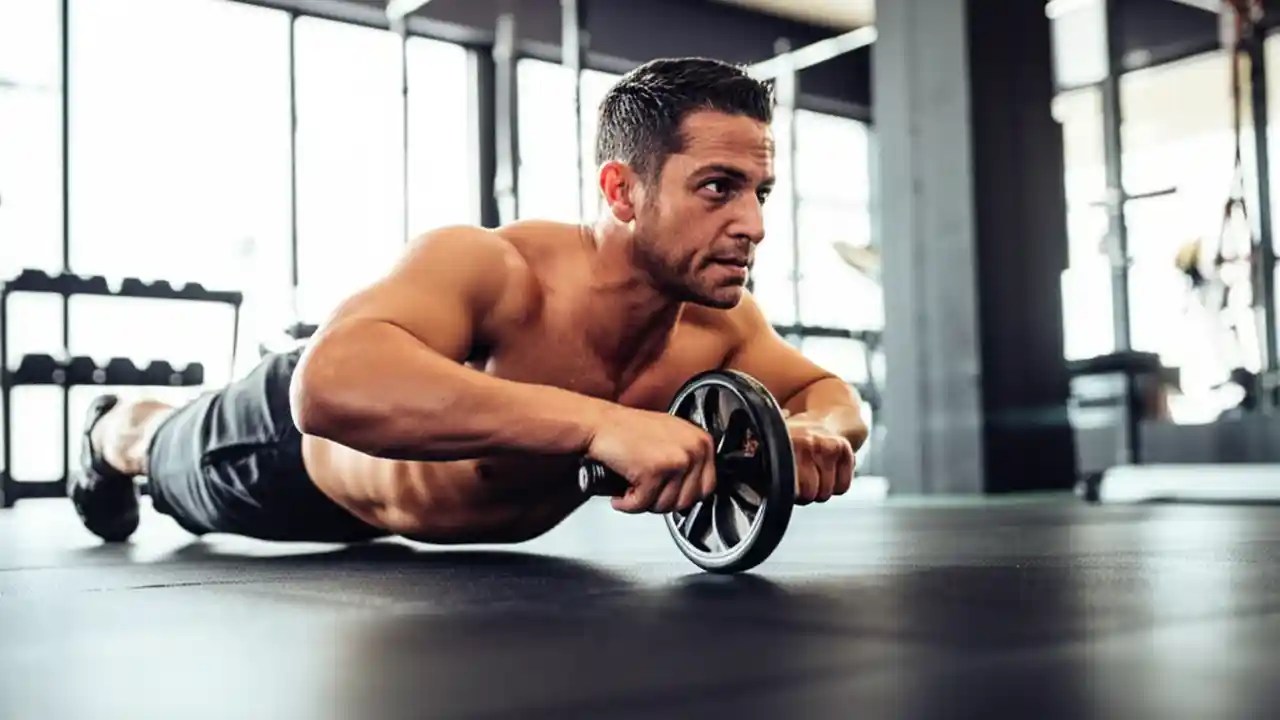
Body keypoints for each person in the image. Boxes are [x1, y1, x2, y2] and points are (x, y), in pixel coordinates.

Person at [69, 57, 869, 545]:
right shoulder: (496, 266)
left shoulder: (720, 323)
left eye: (761, 191)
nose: (754, 225)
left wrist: (813, 434)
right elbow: (328, 384)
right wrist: (601, 422)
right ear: (622, 191)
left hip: (409, 545)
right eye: (719, 189)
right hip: (284, 459)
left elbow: (826, 394)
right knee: (155, 448)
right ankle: (112, 424)